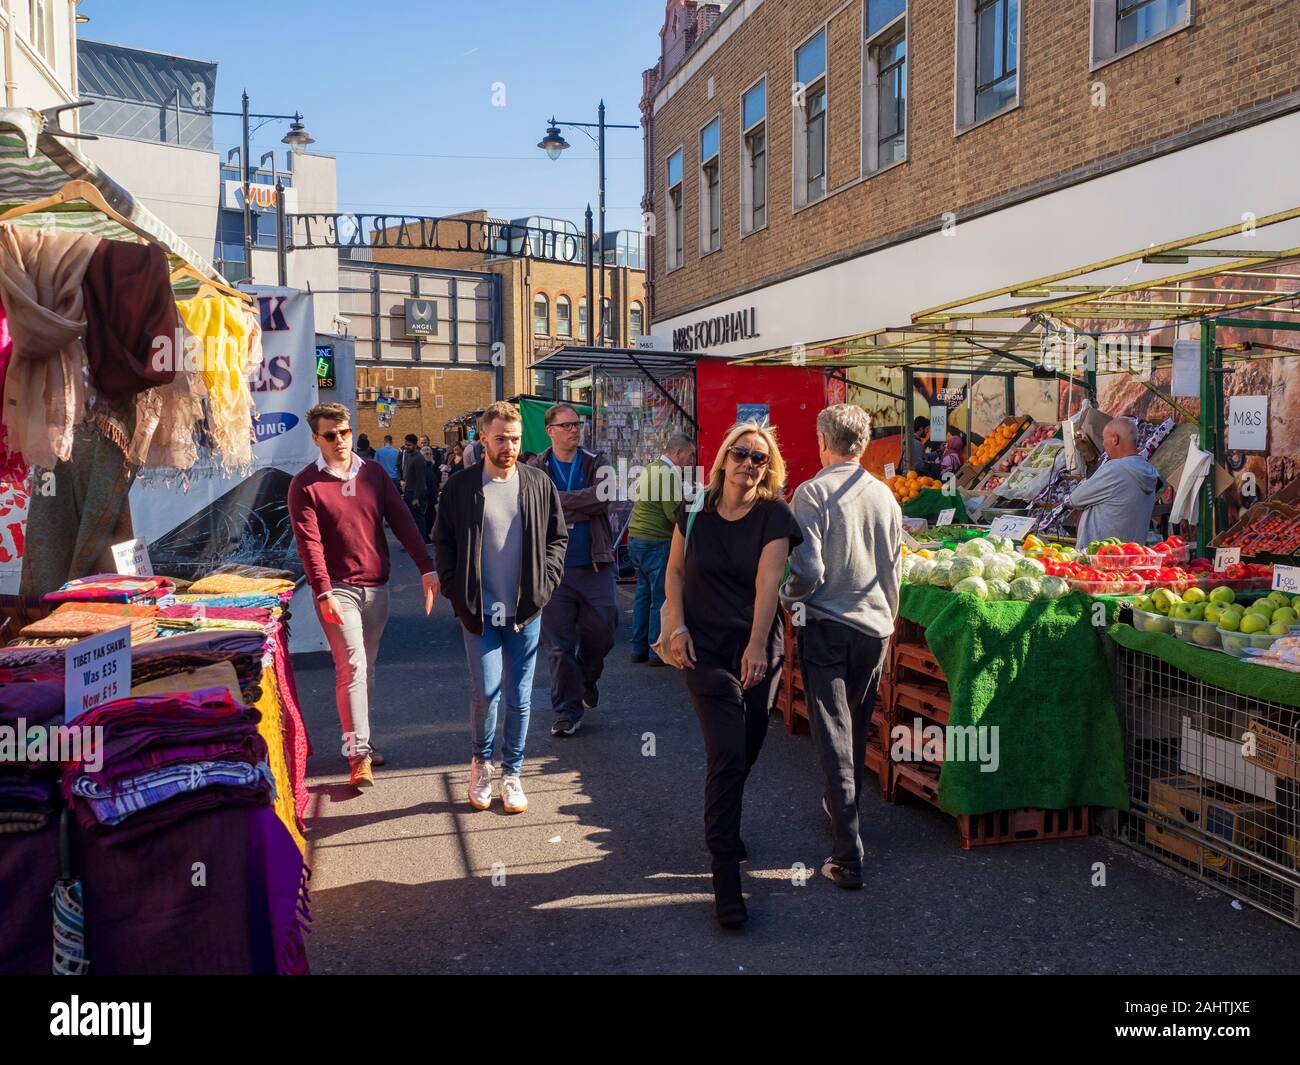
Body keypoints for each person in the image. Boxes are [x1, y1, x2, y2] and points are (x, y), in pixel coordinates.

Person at [662, 420, 803, 928]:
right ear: (723, 458)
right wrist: (677, 627)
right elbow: (675, 571)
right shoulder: (694, 509)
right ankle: (725, 878)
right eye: (740, 453)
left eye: (758, 458)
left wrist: (758, 646)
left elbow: (769, 585)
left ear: (769, 468)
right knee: (725, 755)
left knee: (747, 748)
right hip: (704, 651)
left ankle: (725, 821)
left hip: (756, 648)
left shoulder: (774, 516)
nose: (748, 463)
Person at [781, 404, 901, 890]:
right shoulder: (885, 495)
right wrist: (888, 621)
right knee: (852, 726)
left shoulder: (811, 493)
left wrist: (788, 597)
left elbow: (808, 569)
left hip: (828, 623)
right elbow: (894, 570)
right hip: (875, 627)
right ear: (864, 444)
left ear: (822, 442)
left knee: (832, 731)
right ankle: (840, 808)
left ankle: (848, 853)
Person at [288, 403, 438, 789]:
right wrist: (323, 591)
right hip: (337, 589)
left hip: (376, 586)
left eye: (344, 432)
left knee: (366, 669)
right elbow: (309, 544)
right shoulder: (305, 484)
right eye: (330, 435)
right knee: (351, 667)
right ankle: (358, 755)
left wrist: (426, 567)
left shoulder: (372, 473)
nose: (340, 440)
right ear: (315, 439)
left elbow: (401, 519)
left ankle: (363, 742)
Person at [432, 401, 567, 814]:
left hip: (525, 610)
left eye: (515, 439)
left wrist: (544, 585)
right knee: (486, 693)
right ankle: (481, 764)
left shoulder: (538, 483)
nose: (509, 447)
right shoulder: (461, 487)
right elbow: (443, 542)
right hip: (479, 611)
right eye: (501, 439)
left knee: (519, 697)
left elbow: (556, 538)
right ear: (483, 439)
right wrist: (455, 591)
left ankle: (513, 772)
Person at [527, 403, 618, 738]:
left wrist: (557, 501)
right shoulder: (536, 466)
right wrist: (582, 503)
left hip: (594, 564)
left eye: (577, 425)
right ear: (549, 431)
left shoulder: (597, 460)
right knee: (559, 645)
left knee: (603, 629)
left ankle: (586, 679)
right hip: (553, 570)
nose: (574, 430)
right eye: (566, 426)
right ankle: (567, 711)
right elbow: (534, 506)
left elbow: (603, 498)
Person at [627, 433, 696, 666]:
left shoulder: (651, 468)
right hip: (656, 542)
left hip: (637, 539)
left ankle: (638, 648)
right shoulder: (668, 474)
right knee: (661, 597)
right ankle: (657, 651)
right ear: (678, 452)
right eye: (690, 455)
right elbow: (673, 514)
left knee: (642, 595)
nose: (691, 461)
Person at [1069, 416, 1159, 549]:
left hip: (1102, 555)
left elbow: (1075, 499)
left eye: (1104, 440)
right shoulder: (1148, 471)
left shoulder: (1115, 469)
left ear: (1115, 439)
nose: (1103, 446)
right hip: (1130, 553)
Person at [401, 433, 429, 539]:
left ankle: (421, 541)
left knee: (419, 519)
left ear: (415, 445)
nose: (406, 447)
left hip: (415, 494)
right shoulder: (408, 456)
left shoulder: (418, 458)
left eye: (409, 445)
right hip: (408, 491)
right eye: (405, 444)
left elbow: (420, 480)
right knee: (410, 519)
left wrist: (416, 497)